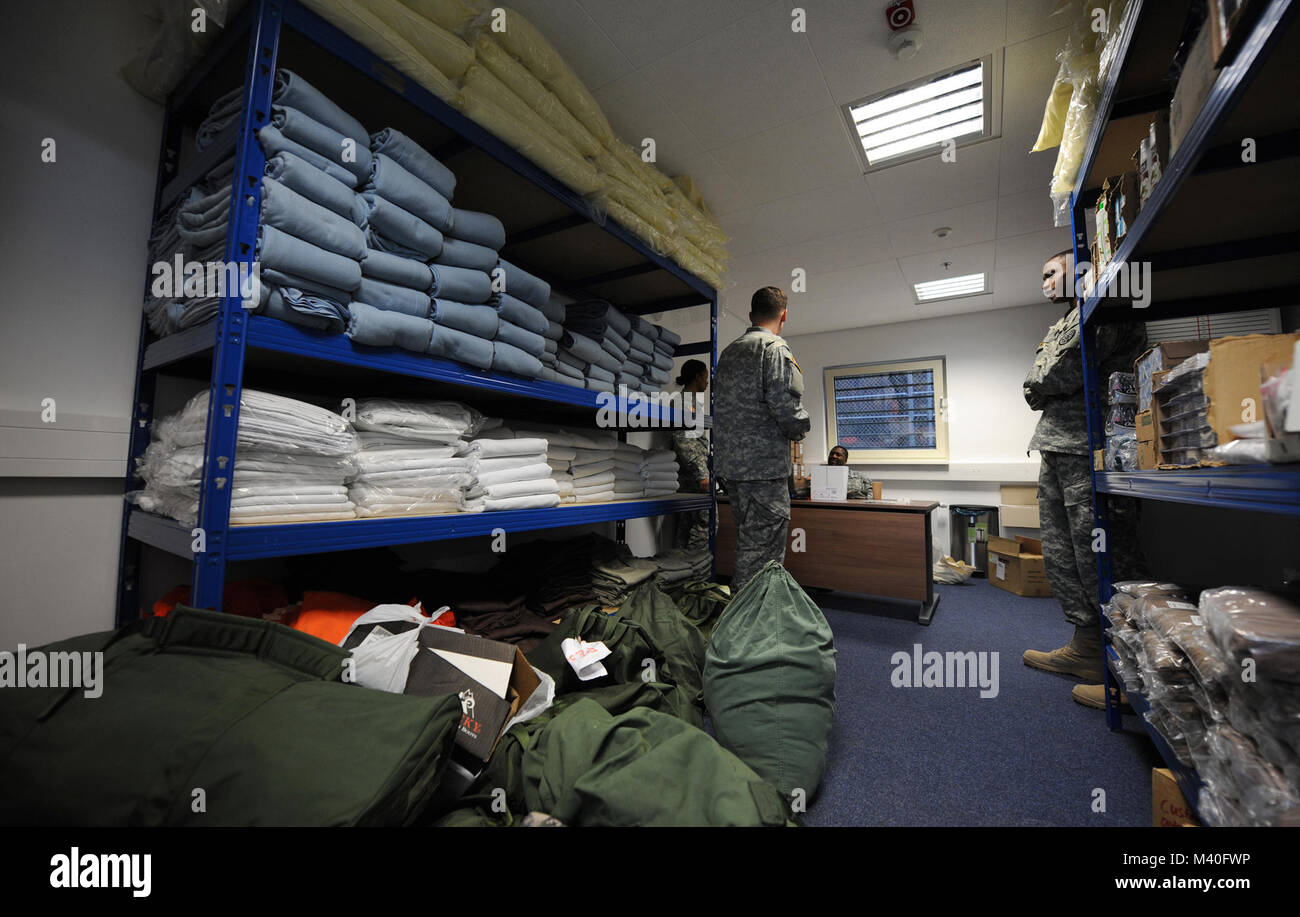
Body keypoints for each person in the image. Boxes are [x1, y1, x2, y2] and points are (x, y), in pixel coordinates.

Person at [1021, 248, 1146, 710]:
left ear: (1082, 269)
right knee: (1063, 554)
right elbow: (1040, 380)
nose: (1045, 283)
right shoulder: (1066, 321)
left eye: (1051, 272)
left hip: (1091, 448)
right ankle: (1088, 649)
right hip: (1057, 445)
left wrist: (1041, 381)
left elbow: (1055, 372)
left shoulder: (1107, 306)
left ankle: (1128, 667)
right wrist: (1041, 381)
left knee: (1103, 554)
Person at [713, 286, 811, 591]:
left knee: (749, 543)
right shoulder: (774, 350)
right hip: (764, 472)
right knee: (762, 556)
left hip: (732, 471)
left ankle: (747, 621)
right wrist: (802, 428)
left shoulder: (729, 352)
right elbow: (787, 410)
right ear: (784, 316)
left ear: (751, 314)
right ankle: (746, 627)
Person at [672, 358, 711, 549]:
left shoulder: (692, 401)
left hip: (690, 474)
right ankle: (696, 571)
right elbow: (685, 441)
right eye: (705, 376)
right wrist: (702, 474)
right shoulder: (685, 402)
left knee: (686, 527)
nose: (707, 381)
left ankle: (683, 572)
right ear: (697, 377)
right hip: (693, 476)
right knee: (703, 526)